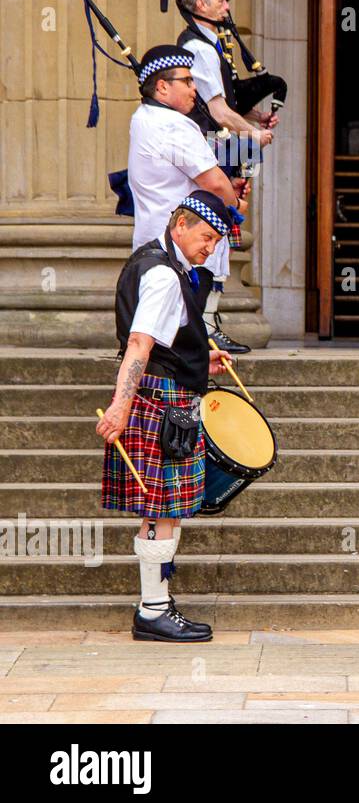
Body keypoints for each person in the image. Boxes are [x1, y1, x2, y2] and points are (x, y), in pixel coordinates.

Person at [96, 191, 236, 642]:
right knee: (160, 506)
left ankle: (156, 604)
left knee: (165, 508)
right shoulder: (162, 274)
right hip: (161, 404)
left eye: (215, 241)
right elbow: (139, 344)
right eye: (206, 236)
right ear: (180, 225)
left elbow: (163, 341)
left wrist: (200, 361)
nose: (209, 247)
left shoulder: (162, 264)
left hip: (167, 396)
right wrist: (120, 406)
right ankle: (152, 610)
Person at [175, 0, 275, 354]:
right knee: (214, 229)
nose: (228, 6)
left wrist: (254, 118)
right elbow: (215, 111)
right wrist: (253, 134)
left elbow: (224, 103)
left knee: (221, 230)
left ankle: (209, 322)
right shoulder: (198, 48)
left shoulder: (213, 44)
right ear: (200, 4)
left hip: (216, 145)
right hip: (209, 148)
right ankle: (204, 326)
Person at [125, 46, 241, 335]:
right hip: (182, 249)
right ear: (162, 87)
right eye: (187, 81)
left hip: (153, 243)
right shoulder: (173, 125)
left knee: (158, 336)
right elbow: (213, 182)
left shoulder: (143, 117)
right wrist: (236, 201)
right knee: (184, 343)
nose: (194, 88)